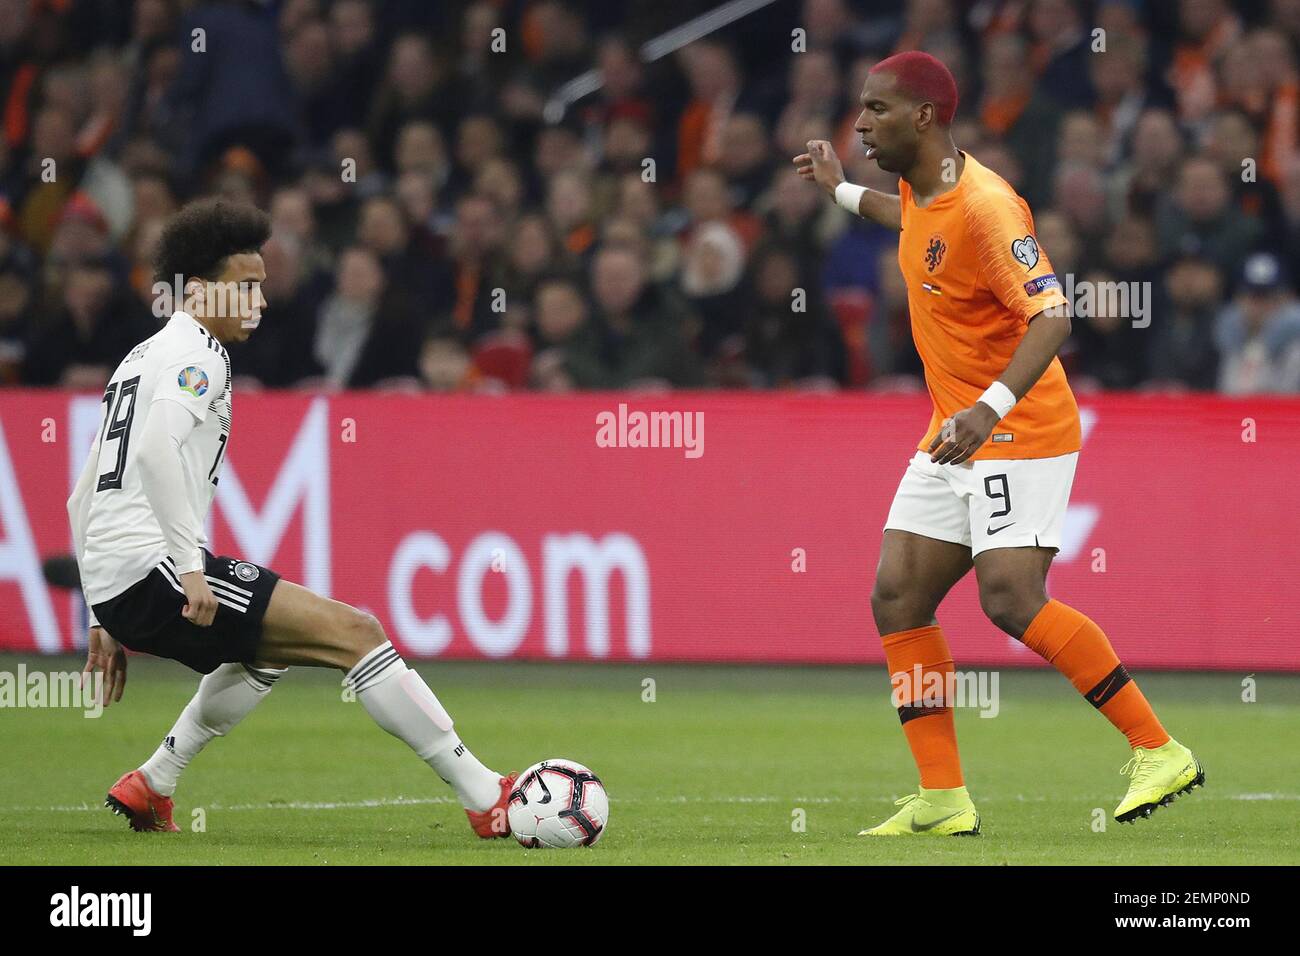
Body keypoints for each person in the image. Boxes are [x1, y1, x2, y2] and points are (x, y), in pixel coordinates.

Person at [794, 51, 1203, 836]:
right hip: (955, 428)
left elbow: (1053, 315)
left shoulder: (989, 208)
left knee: (1011, 599)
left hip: (1017, 427)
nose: (859, 124)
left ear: (924, 117)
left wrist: (990, 406)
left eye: (875, 109)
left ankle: (1160, 750)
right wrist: (839, 189)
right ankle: (944, 798)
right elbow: (910, 222)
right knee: (898, 596)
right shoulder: (923, 185)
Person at [69, 199, 516, 837]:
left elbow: (81, 497)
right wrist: (190, 568)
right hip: (156, 569)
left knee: (267, 651)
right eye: (244, 286)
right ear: (197, 291)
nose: (258, 301)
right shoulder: (197, 355)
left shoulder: (140, 360)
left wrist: (100, 608)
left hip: (124, 577)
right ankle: (484, 795)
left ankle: (155, 781)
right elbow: (150, 452)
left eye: (262, 286)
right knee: (357, 633)